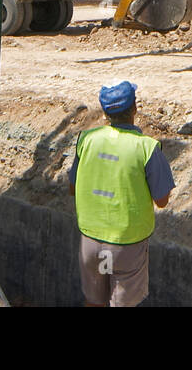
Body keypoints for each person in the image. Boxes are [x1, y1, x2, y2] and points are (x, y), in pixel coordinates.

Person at [68, 81, 174, 307]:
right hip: (128, 243)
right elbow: (162, 201)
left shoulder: (87, 140)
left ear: (105, 113)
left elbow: (72, 187)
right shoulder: (146, 147)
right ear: (134, 109)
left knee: (94, 302)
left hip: (91, 238)